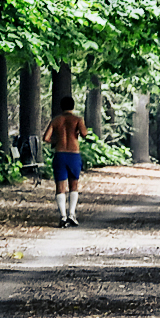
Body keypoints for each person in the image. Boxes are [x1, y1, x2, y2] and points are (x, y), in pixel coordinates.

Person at [43, 95, 87, 227]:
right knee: (74, 185)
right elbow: (85, 134)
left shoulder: (56, 120)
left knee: (60, 186)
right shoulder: (78, 119)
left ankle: (62, 217)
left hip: (60, 154)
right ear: (73, 106)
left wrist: (56, 141)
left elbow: (46, 138)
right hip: (74, 155)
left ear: (61, 107)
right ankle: (72, 214)